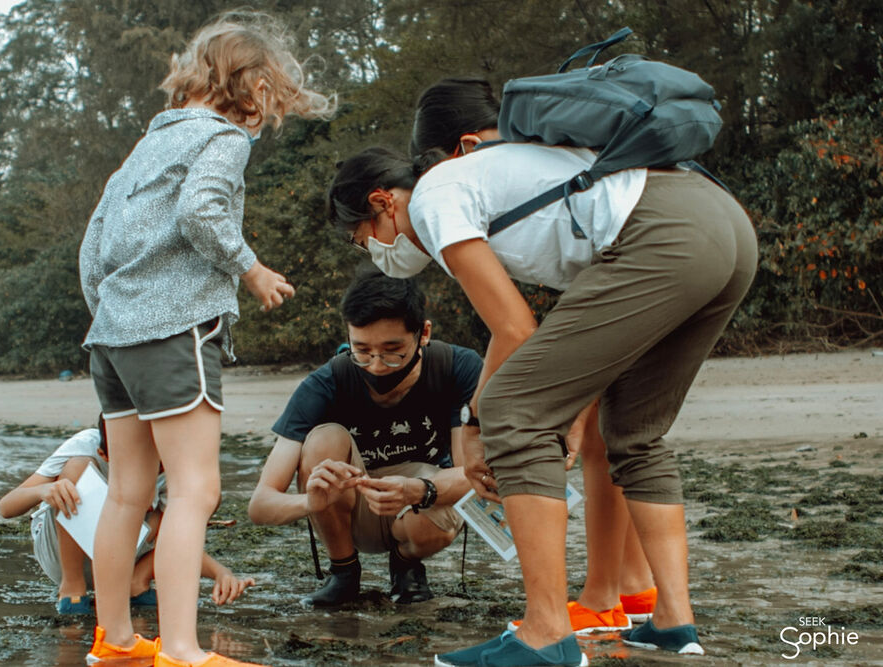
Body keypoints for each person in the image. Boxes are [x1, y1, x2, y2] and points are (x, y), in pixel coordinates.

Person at [328, 87, 757, 665]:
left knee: (511, 410)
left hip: (665, 233)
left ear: (382, 202)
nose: (377, 252)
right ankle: (673, 622)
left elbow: (515, 329)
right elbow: (585, 330)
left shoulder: (435, 195)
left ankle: (545, 633)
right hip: (723, 223)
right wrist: (575, 418)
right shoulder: (507, 178)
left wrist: (476, 422)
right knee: (633, 429)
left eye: (366, 239)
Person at [78, 11, 334, 667]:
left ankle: (117, 642)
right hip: (173, 328)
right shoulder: (221, 137)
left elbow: (93, 248)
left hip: (111, 337)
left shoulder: (146, 144)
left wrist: (112, 316)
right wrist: (250, 268)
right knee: (196, 489)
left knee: (130, 492)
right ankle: (184, 649)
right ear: (251, 88)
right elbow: (201, 210)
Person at [413, 77, 657, 636]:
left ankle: (601, 596)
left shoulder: (468, 180)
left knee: (593, 438)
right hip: (653, 250)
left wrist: (476, 419)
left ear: (463, 147)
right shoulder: (549, 154)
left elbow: (516, 325)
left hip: (637, 257)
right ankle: (634, 586)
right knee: (611, 437)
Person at [248, 270, 481, 607]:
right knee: (324, 439)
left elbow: (473, 473)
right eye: (362, 350)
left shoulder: (457, 368)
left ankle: (405, 565)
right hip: (353, 507)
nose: (376, 366)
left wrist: (419, 490)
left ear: (423, 333)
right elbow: (260, 505)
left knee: (430, 525)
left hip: (423, 502)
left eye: (392, 351)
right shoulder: (326, 383)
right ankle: (343, 572)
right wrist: (310, 503)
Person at [0, 419, 256, 615]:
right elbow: (6, 507)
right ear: (105, 455)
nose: (142, 467)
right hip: (64, 553)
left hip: (123, 560)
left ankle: (137, 581)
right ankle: (73, 585)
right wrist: (44, 490)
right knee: (75, 468)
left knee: (195, 495)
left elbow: (174, 539)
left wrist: (220, 572)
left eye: (151, 460)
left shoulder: (168, 463)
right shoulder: (88, 445)